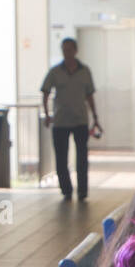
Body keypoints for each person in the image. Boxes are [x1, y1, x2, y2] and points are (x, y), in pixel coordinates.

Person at [41, 37, 100, 202]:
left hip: (80, 120)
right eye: (64, 50)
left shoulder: (85, 71)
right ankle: (66, 190)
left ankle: (82, 191)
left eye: (69, 49)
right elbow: (45, 93)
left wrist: (95, 117)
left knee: (82, 157)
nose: (66, 53)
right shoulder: (55, 71)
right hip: (60, 121)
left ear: (75, 51)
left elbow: (90, 96)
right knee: (61, 157)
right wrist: (47, 114)